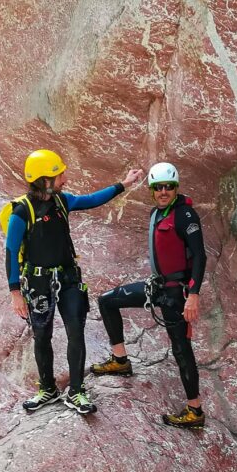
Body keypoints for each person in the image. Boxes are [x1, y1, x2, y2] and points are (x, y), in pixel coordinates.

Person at [5, 149, 143, 415]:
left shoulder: (62, 202)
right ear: (45, 180)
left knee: (75, 332)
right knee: (42, 336)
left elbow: (91, 200)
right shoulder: (22, 212)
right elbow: (11, 251)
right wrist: (15, 292)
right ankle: (47, 389)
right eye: (59, 175)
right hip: (39, 283)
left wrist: (123, 184)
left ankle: (77, 391)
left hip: (68, 279)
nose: (64, 178)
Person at [90, 162, 207, 428]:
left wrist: (194, 294)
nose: (163, 191)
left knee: (181, 349)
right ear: (152, 190)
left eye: (168, 187)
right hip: (157, 287)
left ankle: (195, 411)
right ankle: (120, 360)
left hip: (176, 294)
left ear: (176, 188)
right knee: (107, 300)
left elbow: (200, 256)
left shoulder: (185, 215)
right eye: (158, 187)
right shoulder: (158, 213)